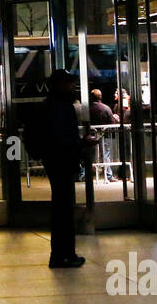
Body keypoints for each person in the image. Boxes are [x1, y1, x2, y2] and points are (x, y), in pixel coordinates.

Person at [40, 71, 87, 270]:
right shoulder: (61, 107)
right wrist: (82, 143)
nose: (72, 86)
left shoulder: (49, 105)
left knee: (61, 209)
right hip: (62, 161)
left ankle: (62, 254)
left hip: (54, 161)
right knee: (64, 210)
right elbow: (63, 138)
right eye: (69, 83)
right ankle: (64, 255)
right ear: (60, 85)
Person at [88, 89, 117, 182]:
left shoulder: (87, 108)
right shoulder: (106, 108)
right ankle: (108, 175)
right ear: (100, 97)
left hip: (90, 135)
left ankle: (85, 175)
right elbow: (112, 122)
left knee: (89, 155)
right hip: (104, 135)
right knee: (105, 155)